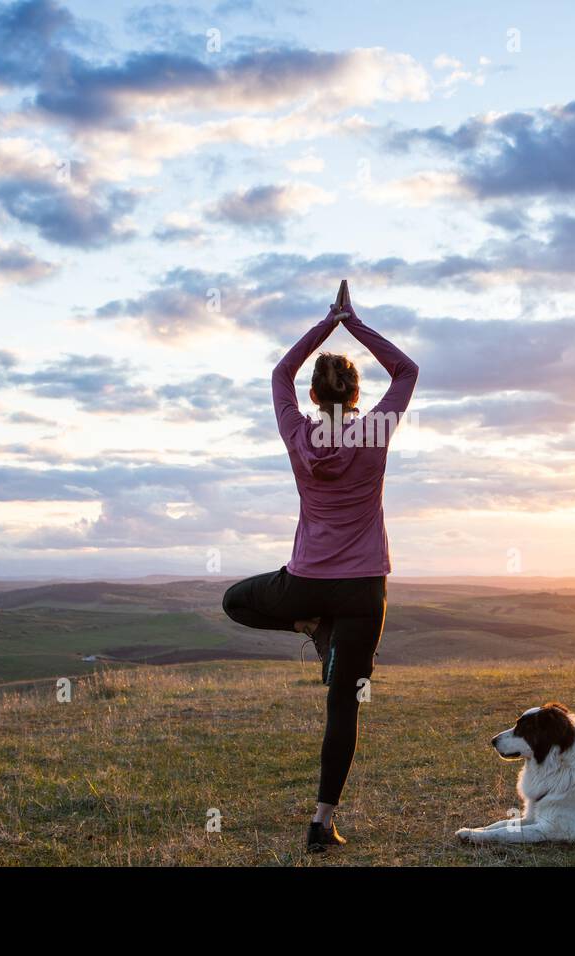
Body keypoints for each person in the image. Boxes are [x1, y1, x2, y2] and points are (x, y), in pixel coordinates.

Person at [221, 281, 418, 851]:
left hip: (305, 582)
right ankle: (321, 822)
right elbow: (405, 371)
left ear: (312, 395)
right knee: (344, 707)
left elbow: (279, 373)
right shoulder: (375, 431)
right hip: (362, 591)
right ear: (358, 395)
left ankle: (309, 623)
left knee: (235, 600)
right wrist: (351, 323)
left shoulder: (298, 431)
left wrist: (324, 324)